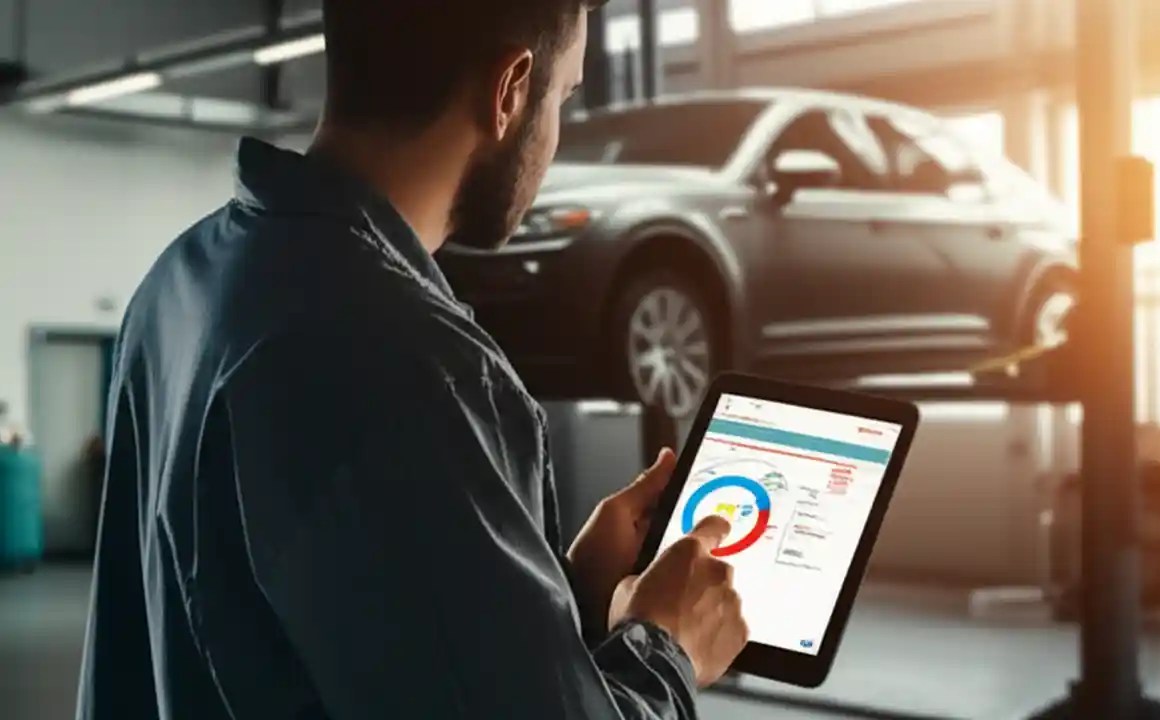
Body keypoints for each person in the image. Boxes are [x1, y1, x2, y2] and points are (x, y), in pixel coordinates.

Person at [75, 1, 747, 718]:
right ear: (510, 90)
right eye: (562, 98)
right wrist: (664, 648)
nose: (553, 138)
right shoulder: (404, 363)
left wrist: (561, 595)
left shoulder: (180, 283)